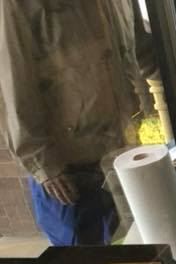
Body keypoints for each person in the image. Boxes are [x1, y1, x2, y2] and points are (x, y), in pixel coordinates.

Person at [0, 0, 157, 246]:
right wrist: (43, 165)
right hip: (68, 173)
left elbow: (142, 50)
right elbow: (12, 85)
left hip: (121, 153)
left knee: (135, 257)